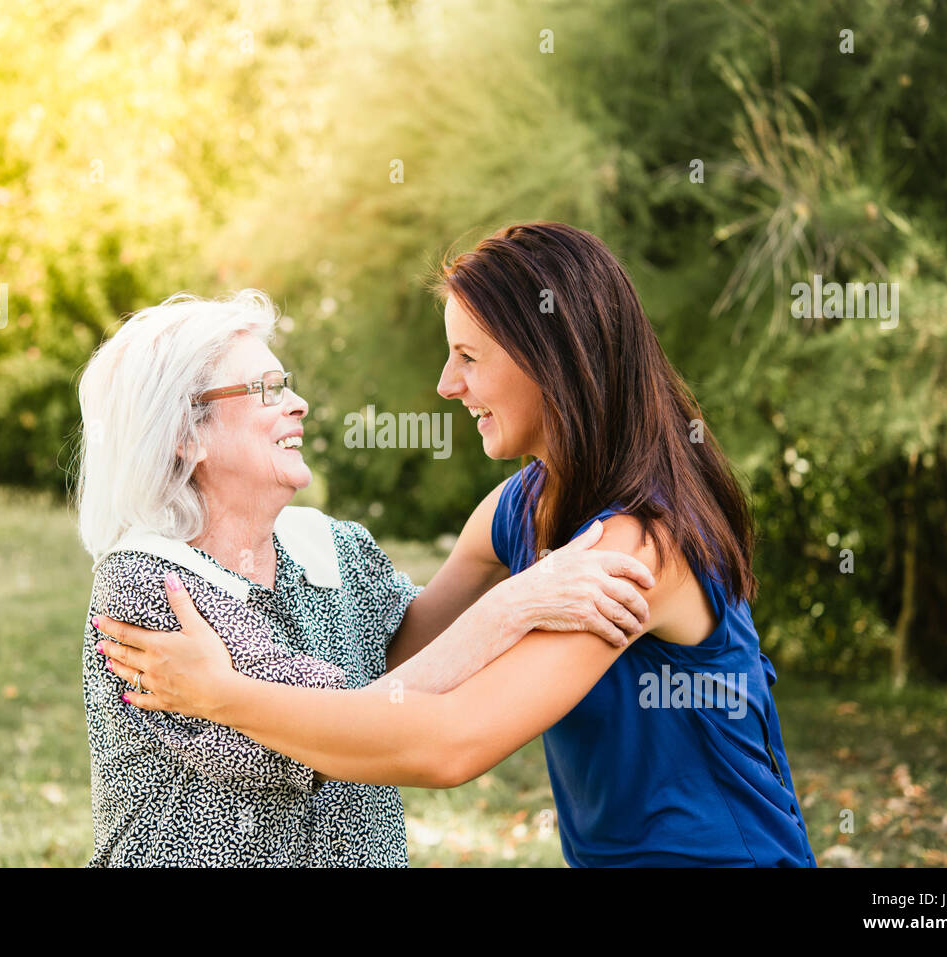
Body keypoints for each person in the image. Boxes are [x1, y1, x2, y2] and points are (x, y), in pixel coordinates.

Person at [96, 223, 818, 867]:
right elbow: (402, 665)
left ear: (551, 359)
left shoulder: (635, 546)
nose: (447, 384)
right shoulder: (517, 510)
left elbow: (447, 742)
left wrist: (225, 695)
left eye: (469, 357)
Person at [76, 288, 655, 866]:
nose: (298, 403)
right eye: (268, 390)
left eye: (288, 383)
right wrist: (520, 602)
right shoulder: (148, 586)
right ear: (186, 435)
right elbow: (349, 726)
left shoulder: (333, 545)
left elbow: (415, 657)